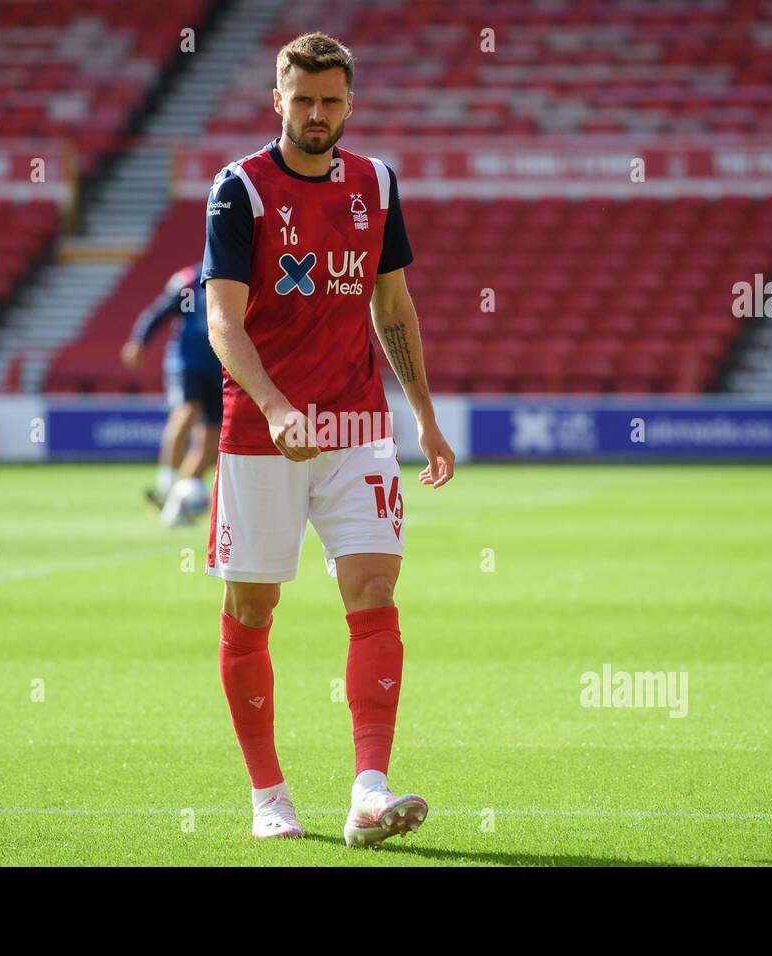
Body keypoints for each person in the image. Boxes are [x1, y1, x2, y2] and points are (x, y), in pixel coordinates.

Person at [200, 32, 455, 848]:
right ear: (277, 100)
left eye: (331, 101)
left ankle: (369, 794)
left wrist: (422, 412)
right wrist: (275, 407)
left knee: (375, 595)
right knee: (252, 608)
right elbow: (222, 321)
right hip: (259, 437)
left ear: (350, 103)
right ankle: (269, 795)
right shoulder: (237, 190)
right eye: (303, 99)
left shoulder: (376, 183)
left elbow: (393, 307)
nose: (317, 114)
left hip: (357, 428)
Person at [122, 262, 223, 526]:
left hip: (223, 367)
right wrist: (140, 341)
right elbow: (159, 313)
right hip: (187, 363)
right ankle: (165, 486)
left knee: (212, 438)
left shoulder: (240, 274)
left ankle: (178, 500)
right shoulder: (189, 280)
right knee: (187, 411)